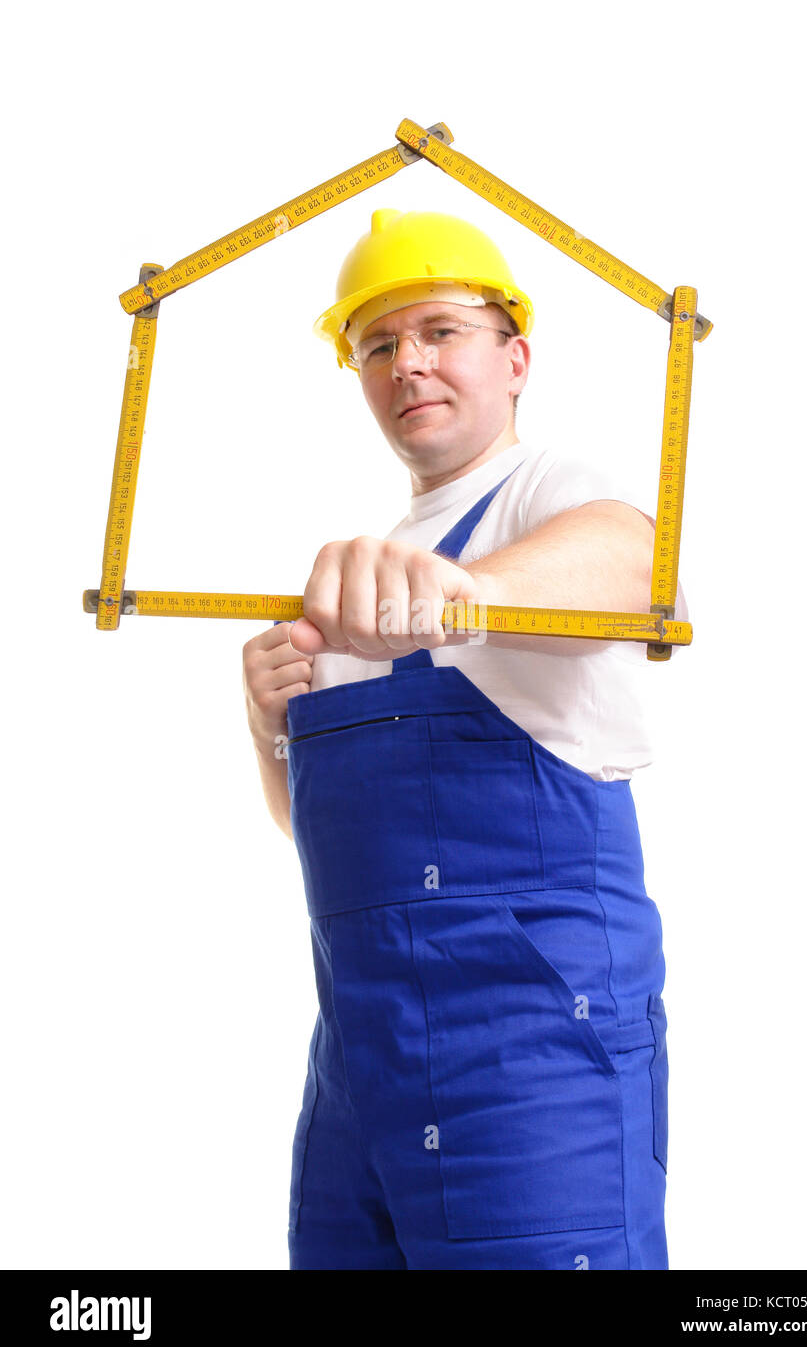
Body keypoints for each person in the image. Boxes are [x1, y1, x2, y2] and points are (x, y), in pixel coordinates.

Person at [242, 208, 686, 1270]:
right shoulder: (371, 571)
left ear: (514, 357)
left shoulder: (546, 494)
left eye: (440, 330)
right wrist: (269, 729)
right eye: (378, 344)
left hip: (531, 1056)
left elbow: (637, 565)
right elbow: (320, 831)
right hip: (358, 1057)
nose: (409, 364)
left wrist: (470, 597)